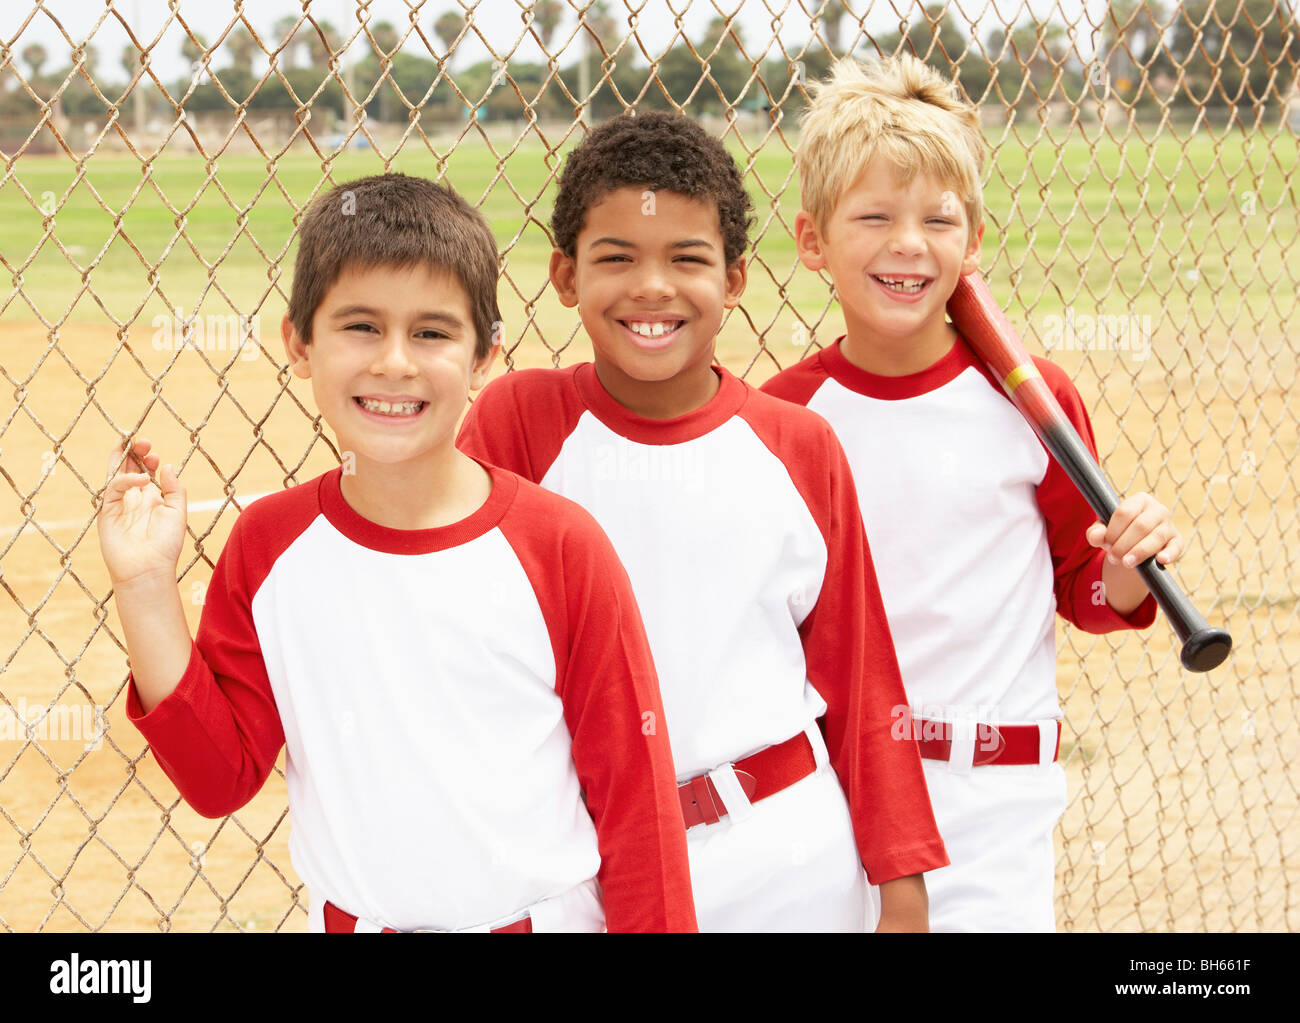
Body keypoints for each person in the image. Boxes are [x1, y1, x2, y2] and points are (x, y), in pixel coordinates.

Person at [96, 173, 697, 933]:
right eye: (360, 326)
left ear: (484, 357)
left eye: (433, 332)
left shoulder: (559, 547)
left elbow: (637, 802)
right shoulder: (272, 544)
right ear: (299, 343)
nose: (395, 363)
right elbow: (220, 778)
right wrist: (146, 586)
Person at [457, 111, 948, 932]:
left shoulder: (797, 445)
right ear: (565, 274)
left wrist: (902, 885)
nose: (653, 287)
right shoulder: (523, 422)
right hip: (594, 859)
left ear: (735, 279)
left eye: (688, 260)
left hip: (784, 850)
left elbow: (860, 678)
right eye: (616, 258)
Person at [761, 55, 1183, 931]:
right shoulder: (783, 418)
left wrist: (1133, 568)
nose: (908, 242)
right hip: (843, 786)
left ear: (974, 240)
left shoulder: (1030, 400)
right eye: (872, 216)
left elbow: (1089, 591)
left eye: (937, 220)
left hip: (995, 802)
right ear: (812, 241)